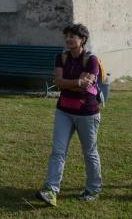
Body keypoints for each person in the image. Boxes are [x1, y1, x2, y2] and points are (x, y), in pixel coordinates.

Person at [36, 23, 103, 207]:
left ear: (82, 40)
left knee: (89, 152)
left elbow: (86, 84)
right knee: (58, 151)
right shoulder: (61, 57)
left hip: (87, 113)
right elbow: (58, 83)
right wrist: (76, 82)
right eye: (66, 36)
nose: (68, 39)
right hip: (64, 110)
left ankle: (93, 188)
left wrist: (69, 83)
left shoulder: (91, 59)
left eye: (73, 36)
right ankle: (51, 190)